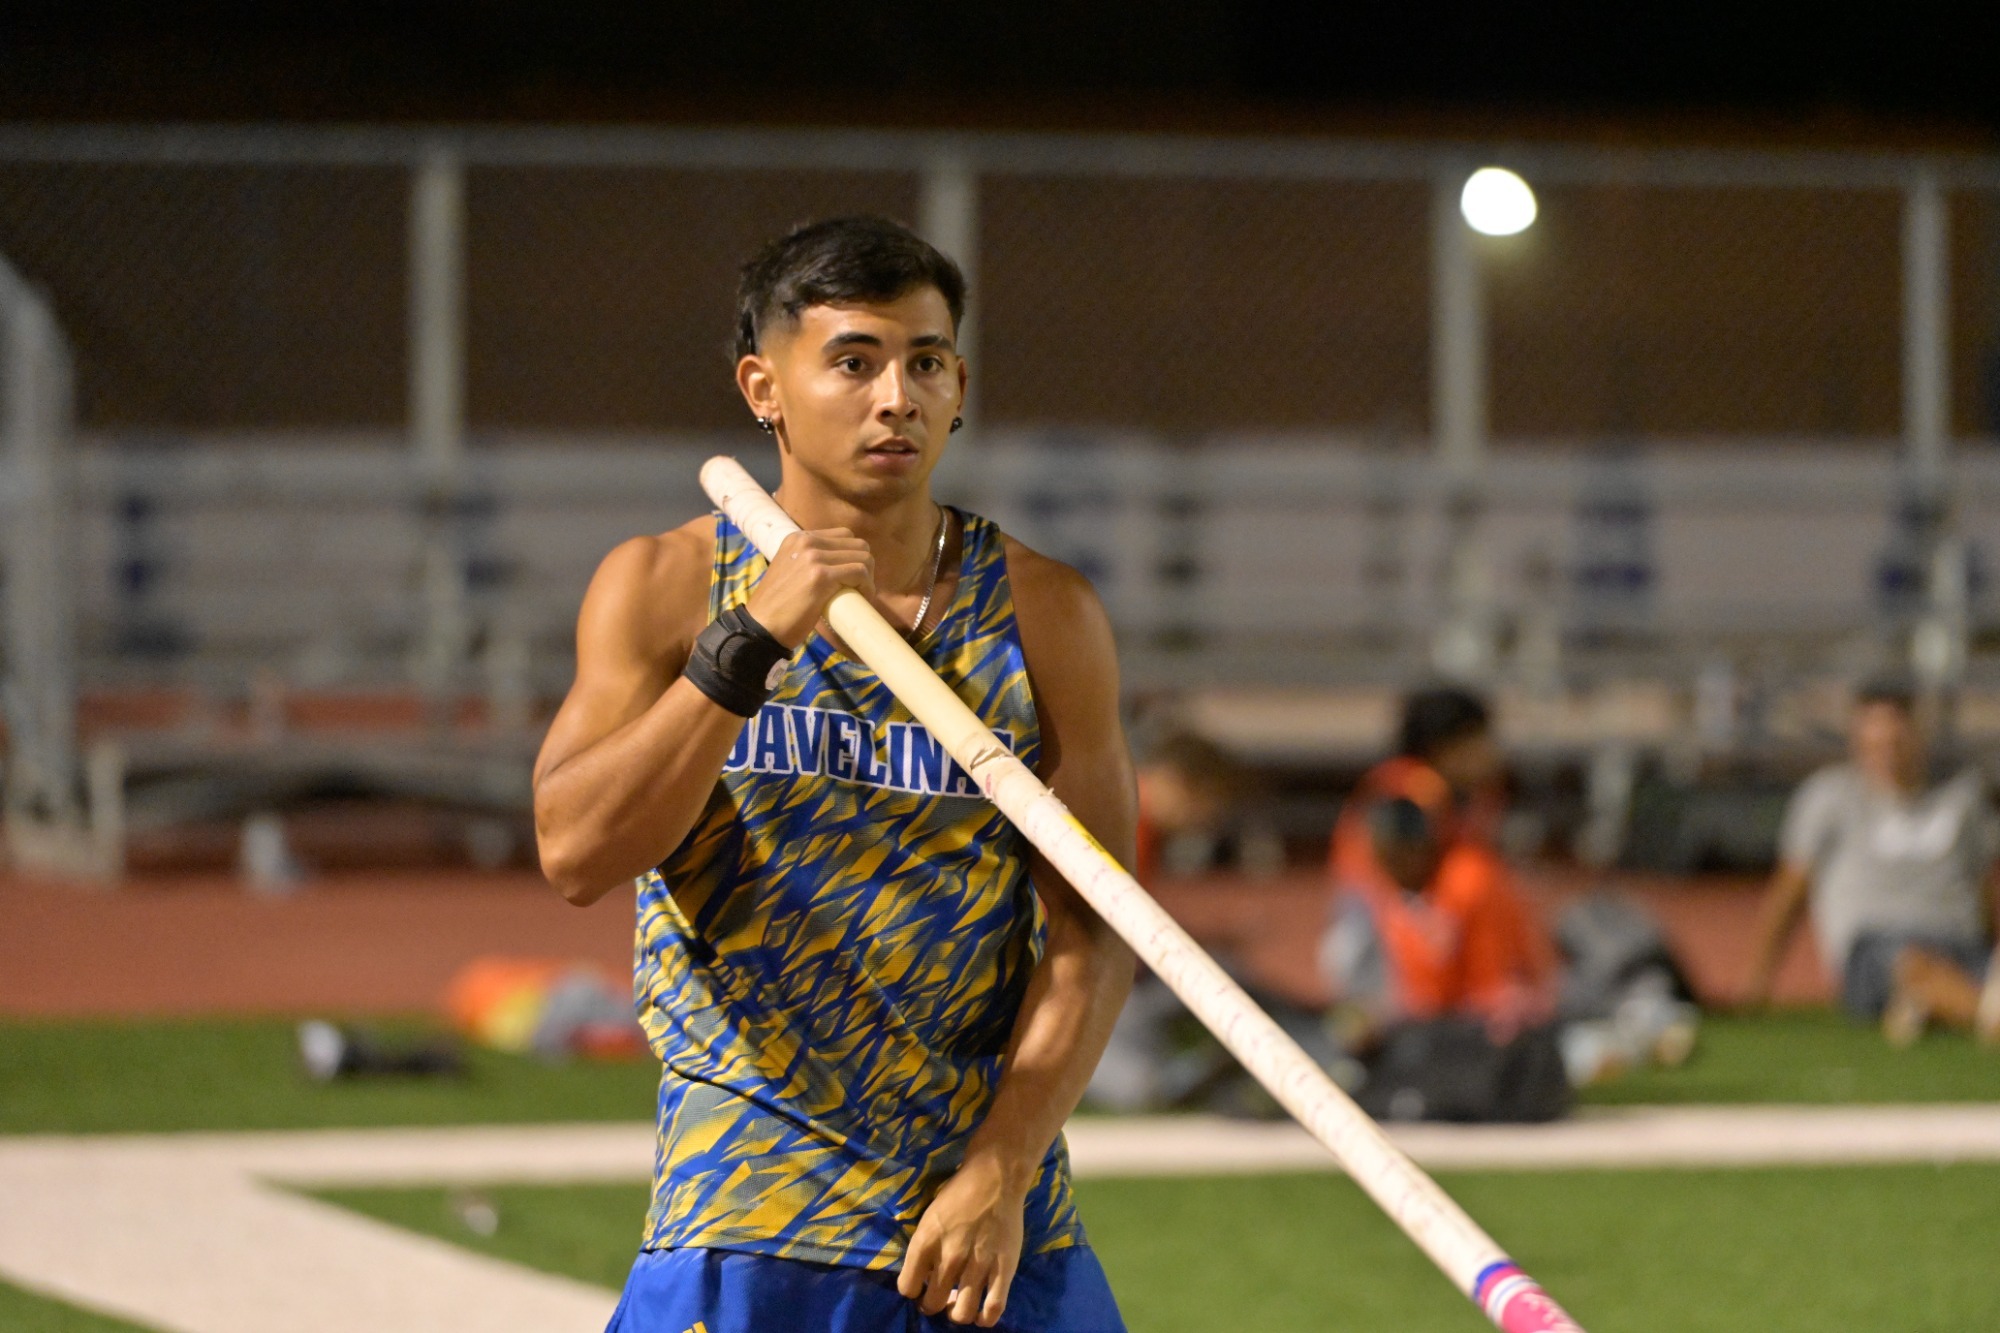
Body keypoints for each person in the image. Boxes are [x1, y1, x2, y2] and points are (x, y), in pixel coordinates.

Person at [532, 216, 1135, 1333]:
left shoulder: (1045, 614)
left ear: (958, 387)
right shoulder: (667, 586)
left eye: (926, 361)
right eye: (852, 361)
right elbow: (575, 850)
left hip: (984, 1221)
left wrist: (1002, 1166)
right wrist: (745, 641)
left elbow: (1096, 932)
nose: (895, 396)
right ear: (764, 387)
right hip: (751, 1206)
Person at [1742, 676, 2000, 1044]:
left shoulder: (1962, 796)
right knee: (1910, 964)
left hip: (1961, 942)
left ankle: (1933, 1007)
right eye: (1875, 737)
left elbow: (1983, 889)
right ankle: (1982, 1014)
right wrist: (1757, 980)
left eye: (1897, 735)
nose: (1887, 748)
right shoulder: (1831, 798)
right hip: (1877, 946)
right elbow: (1789, 890)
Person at [1322, 688, 1556, 1041]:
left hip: (1403, 937)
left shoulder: (1443, 793)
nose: (1490, 751)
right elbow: (1400, 882)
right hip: (1385, 947)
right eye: (1479, 739)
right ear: (1447, 745)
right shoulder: (1408, 794)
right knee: (1473, 877)